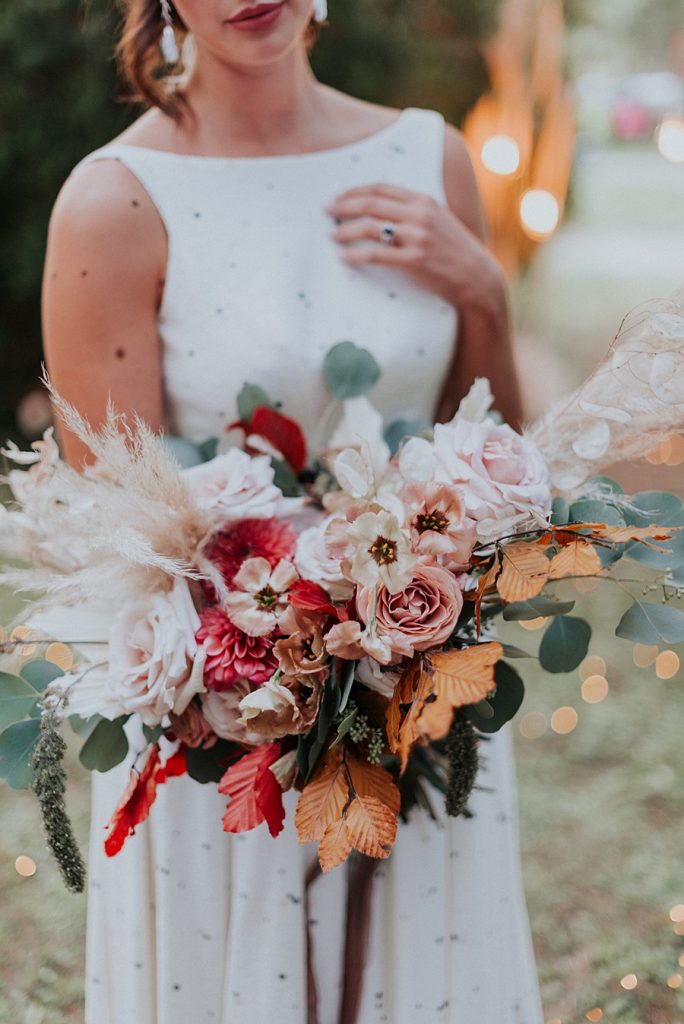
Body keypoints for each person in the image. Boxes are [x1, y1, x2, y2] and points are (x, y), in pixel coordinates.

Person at [42, 2, 543, 1021]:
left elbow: (501, 460)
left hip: (421, 697)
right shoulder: (115, 201)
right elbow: (117, 537)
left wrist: (484, 294)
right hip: (230, 729)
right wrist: (291, 644)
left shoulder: (430, 155)